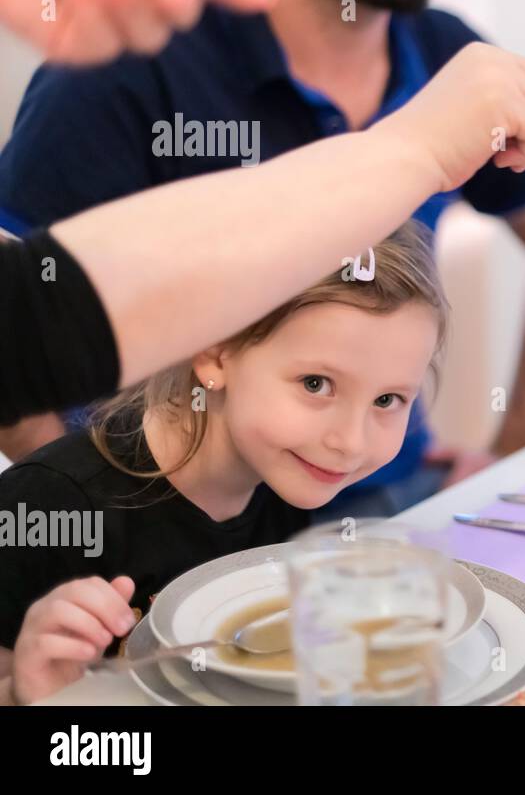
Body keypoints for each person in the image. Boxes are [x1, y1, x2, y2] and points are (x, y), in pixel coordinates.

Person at [0, 0, 525, 500]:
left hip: (383, 500)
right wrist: (86, 518)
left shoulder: (448, 55)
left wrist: (510, 460)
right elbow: (13, 326)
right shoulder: (132, 60)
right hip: (170, 528)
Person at [0, 222, 446, 705]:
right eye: (316, 384)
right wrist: (27, 694)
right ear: (215, 352)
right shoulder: (48, 502)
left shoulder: (287, 476)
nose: (351, 443)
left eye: (387, 399)